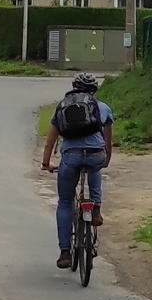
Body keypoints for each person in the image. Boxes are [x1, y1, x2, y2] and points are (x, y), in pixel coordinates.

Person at [40, 70, 113, 269]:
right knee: (94, 168)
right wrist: (105, 160)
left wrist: (47, 163)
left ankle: (65, 252)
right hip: (95, 154)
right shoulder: (103, 107)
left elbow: (50, 141)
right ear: (94, 91)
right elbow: (108, 141)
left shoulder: (62, 107)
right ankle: (95, 209)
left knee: (65, 201)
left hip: (70, 156)